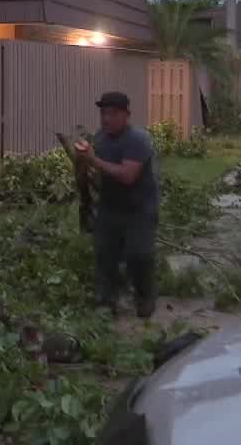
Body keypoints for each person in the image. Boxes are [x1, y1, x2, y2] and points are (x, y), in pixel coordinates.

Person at [74, 91, 160, 319]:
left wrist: (93, 159)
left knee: (138, 255)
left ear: (126, 115)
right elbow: (98, 172)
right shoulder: (101, 138)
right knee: (105, 256)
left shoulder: (137, 140)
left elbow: (127, 176)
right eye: (103, 113)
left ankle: (145, 295)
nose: (106, 119)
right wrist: (82, 162)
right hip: (110, 207)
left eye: (112, 114)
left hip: (140, 209)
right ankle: (105, 301)